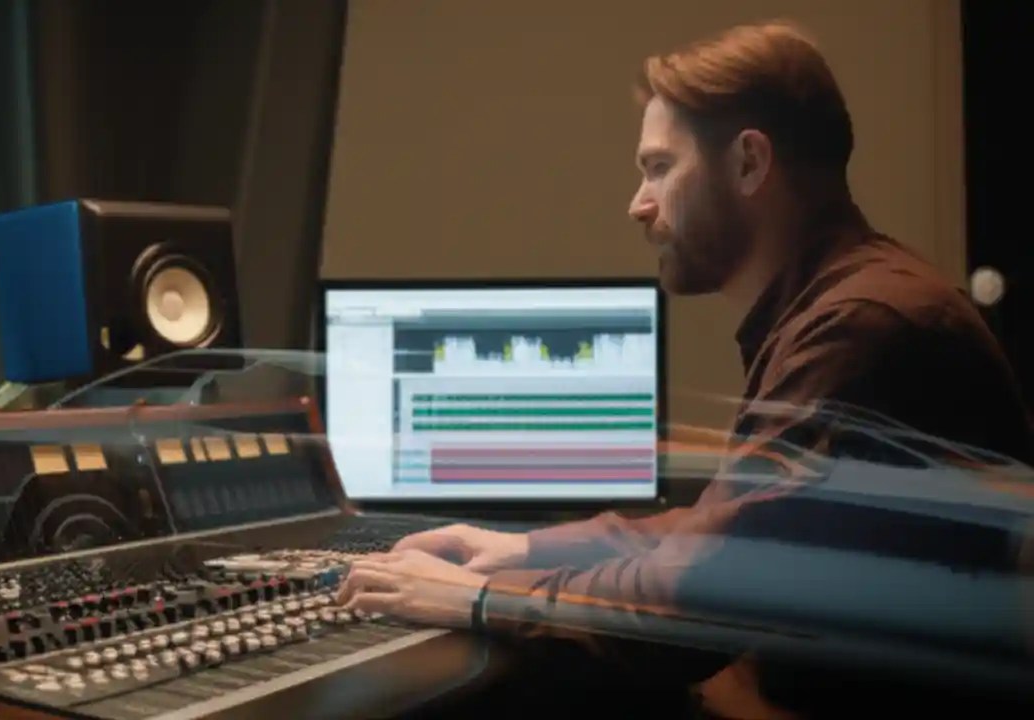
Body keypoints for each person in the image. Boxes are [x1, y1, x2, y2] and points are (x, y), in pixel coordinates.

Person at [337, 18, 1034, 717]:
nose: (638, 204)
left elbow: (699, 602)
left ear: (749, 163)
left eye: (659, 167)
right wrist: (521, 545)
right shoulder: (851, 303)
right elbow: (724, 534)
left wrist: (482, 600)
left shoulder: (861, 325)